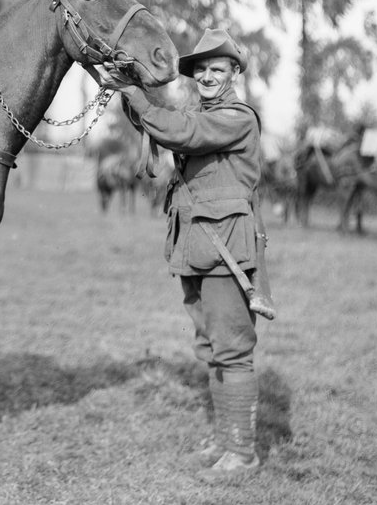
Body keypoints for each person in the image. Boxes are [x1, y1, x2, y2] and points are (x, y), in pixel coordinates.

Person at [96, 27, 275, 483]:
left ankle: (242, 453)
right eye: (202, 71)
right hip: (197, 246)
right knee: (211, 347)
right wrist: (128, 89)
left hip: (225, 248)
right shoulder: (204, 112)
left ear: (234, 71)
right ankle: (225, 442)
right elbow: (166, 126)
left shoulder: (236, 118)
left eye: (218, 68)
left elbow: (184, 132)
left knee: (232, 350)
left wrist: (136, 95)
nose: (209, 77)